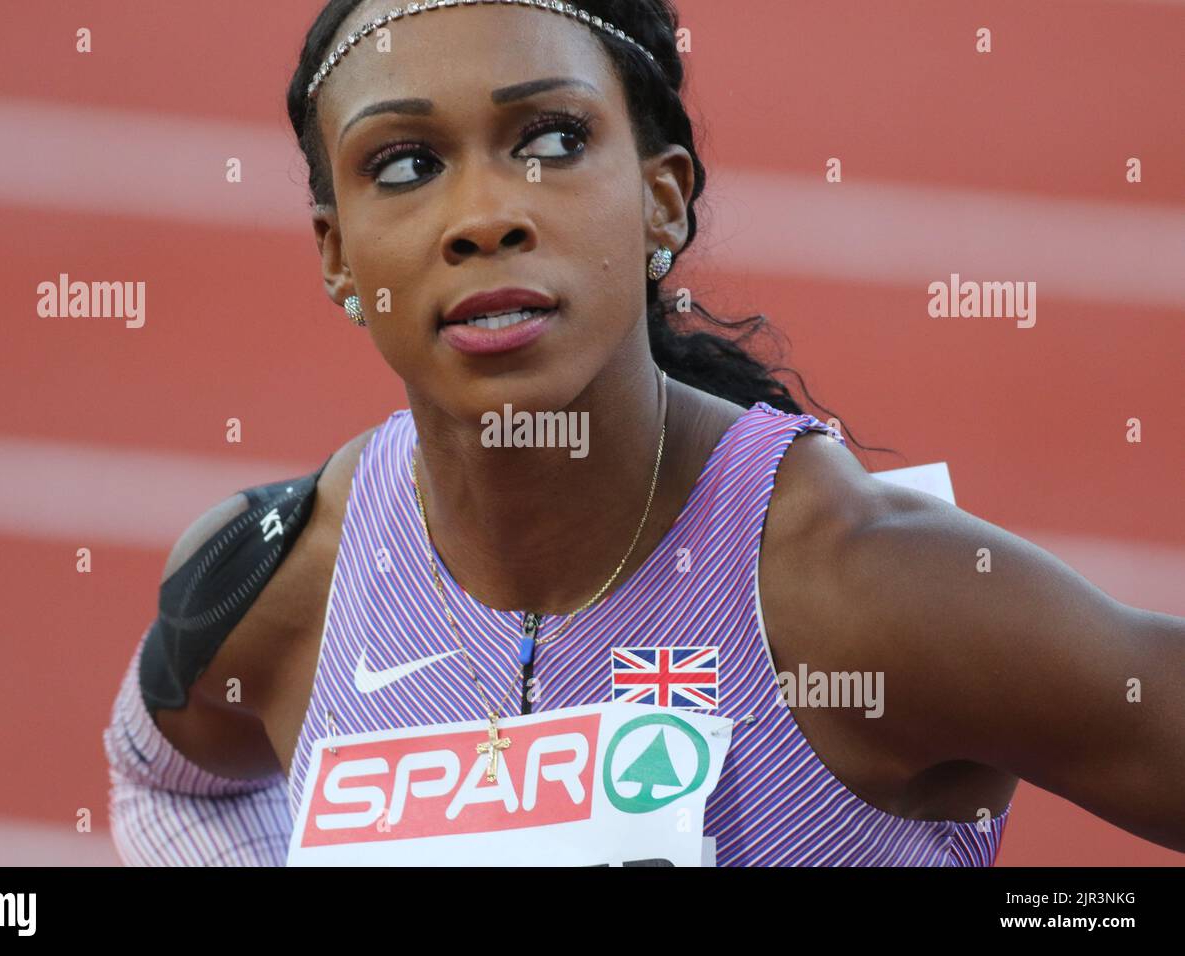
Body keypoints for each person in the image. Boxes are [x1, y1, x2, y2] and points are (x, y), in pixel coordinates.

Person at [103, 0, 1185, 866]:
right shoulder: (282, 586)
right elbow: (160, 776)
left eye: (553, 139)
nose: (483, 214)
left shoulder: (856, 594)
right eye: (404, 164)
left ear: (663, 201)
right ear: (336, 254)